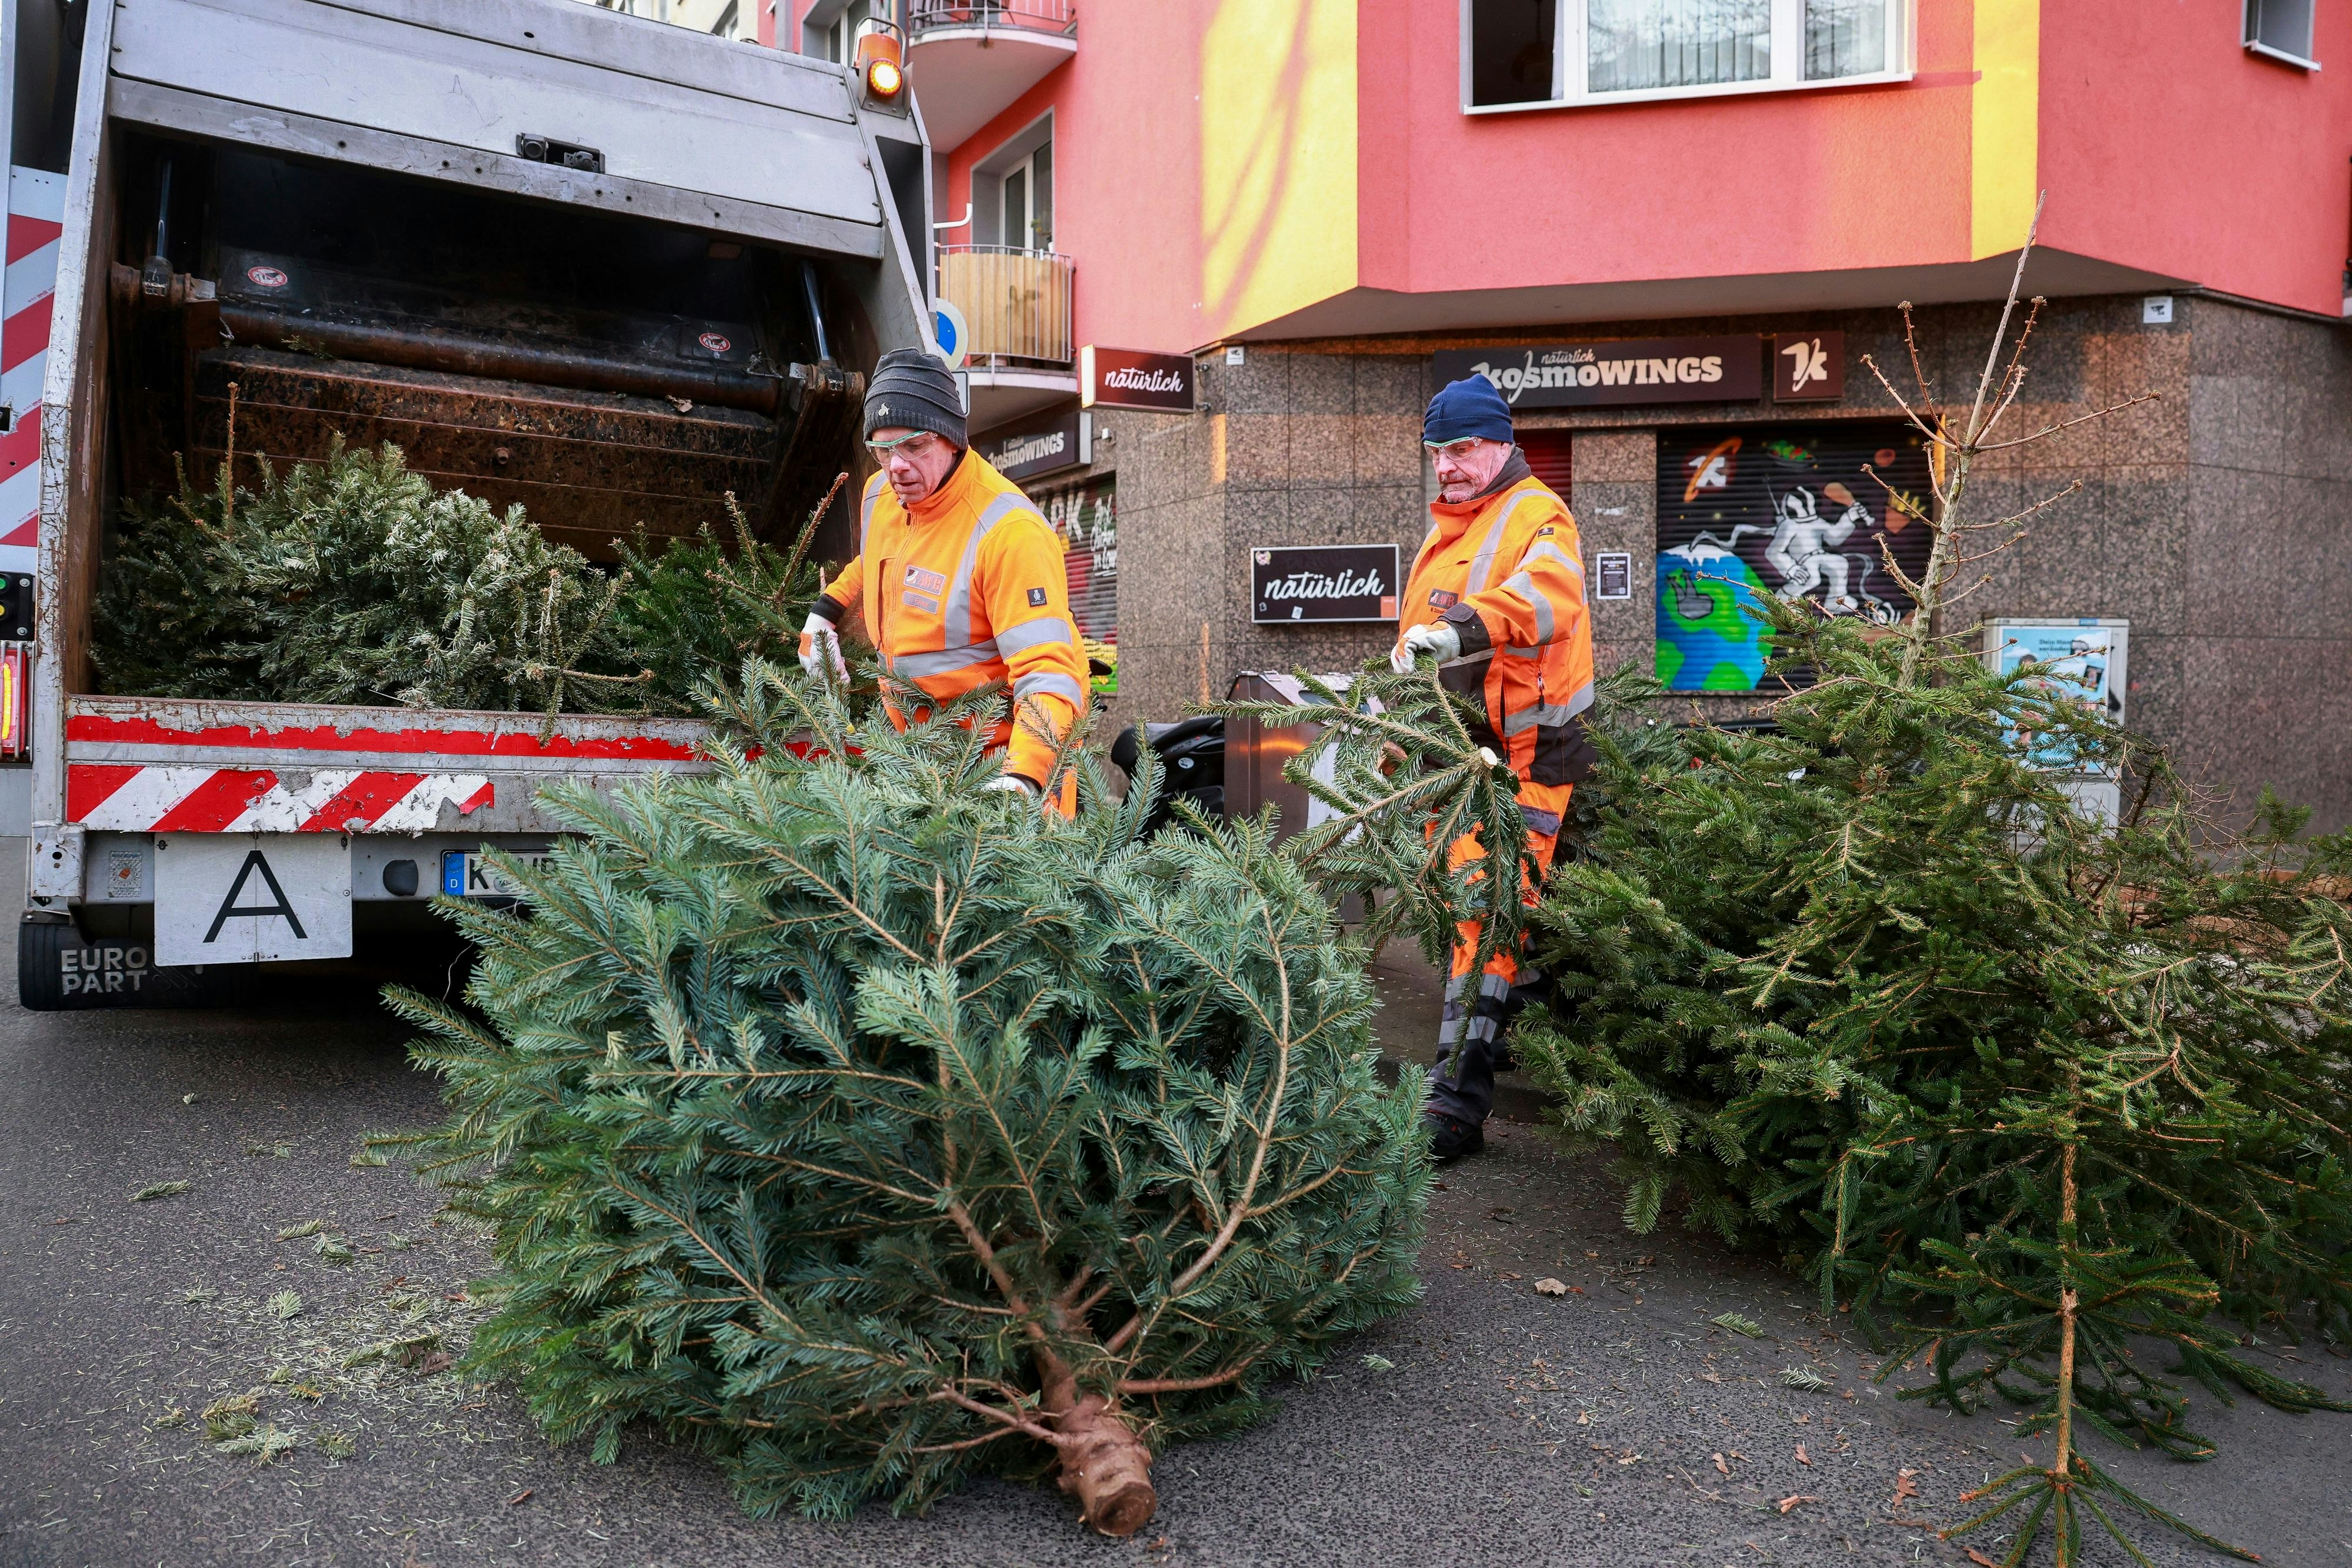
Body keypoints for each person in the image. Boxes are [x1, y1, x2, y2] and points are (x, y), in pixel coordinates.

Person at [1391, 376, 1595, 1162]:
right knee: (1472, 913)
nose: (1449, 465)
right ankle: (1509, 1038)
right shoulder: (1449, 530)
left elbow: (1553, 597)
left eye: (1464, 448)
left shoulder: (1537, 513)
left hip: (1526, 761)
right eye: (1438, 453)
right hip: (1463, 761)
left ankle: (1454, 1107)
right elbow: (1418, 646)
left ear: (1504, 444)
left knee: (1485, 917)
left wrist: (1466, 626)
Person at [799, 348, 1089, 809]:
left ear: (953, 439)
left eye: (914, 446)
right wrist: (825, 612)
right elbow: (874, 561)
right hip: (918, 760)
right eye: (882, 448)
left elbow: (1049, 674)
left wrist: (1024, 777)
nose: (896, 465)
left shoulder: (1008, 533)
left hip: (998, 771)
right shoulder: (881, 494)